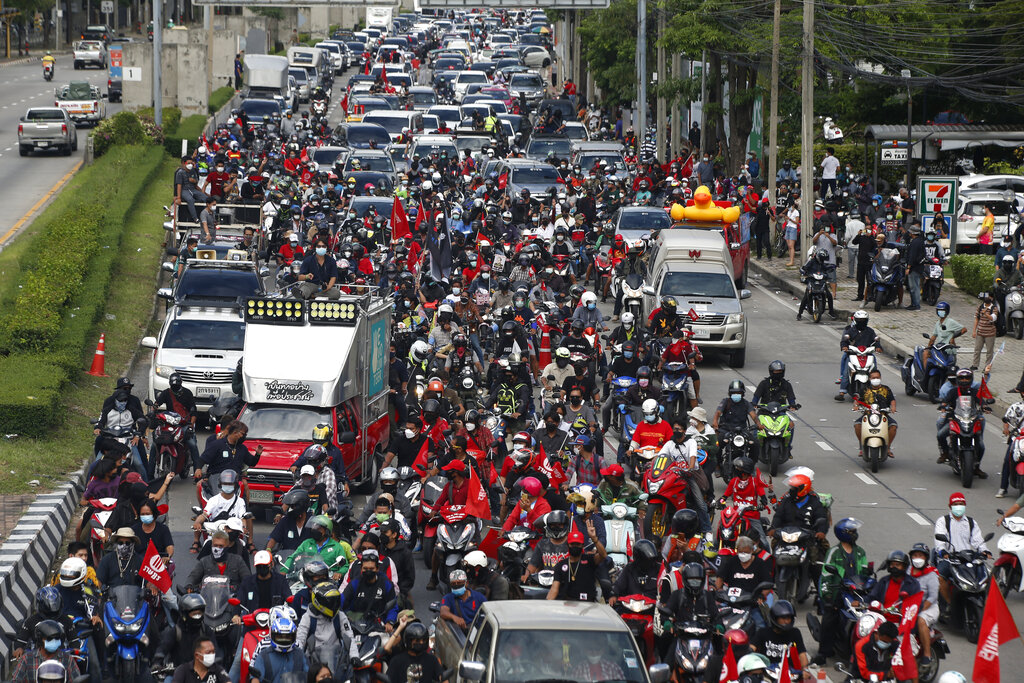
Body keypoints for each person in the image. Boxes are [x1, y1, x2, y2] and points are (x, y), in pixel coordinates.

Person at [812, 518, 868, 665]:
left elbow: (865, 573)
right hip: (838, 592)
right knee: (830, 618)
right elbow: (826, 575)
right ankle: (823, 652)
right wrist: (828, 597)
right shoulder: (834, 552)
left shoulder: (860, 552)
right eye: (852, 531)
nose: (855, 534)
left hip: (857, 593)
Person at [933, 492, 990, 613]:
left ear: (965, 505)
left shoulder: (971, 522)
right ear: (950, 506)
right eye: (955, 504)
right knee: (940, 578)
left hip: (968, 558)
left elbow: (978, 540)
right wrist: (943, 551)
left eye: (961, 504)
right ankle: (949, 604)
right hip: (950, 559)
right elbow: (939, 541)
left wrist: (984, 551)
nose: (958, 506)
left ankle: (988, 606)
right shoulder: (943, 521)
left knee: (987, 576)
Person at [715, 535, 774, 630]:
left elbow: (767, 583)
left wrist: (762, 596)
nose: (743, 554)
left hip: (752, 602)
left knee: (761, 624)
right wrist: (719, 591)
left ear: (752, 550)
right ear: (737, 550)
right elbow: (720, 578)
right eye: (740, 552)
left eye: (746, 552)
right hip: (732, 600)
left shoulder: (760, 563)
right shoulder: (731, 562)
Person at [547, 521, 607, 601]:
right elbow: (554, 588)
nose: (575, 546)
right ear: (568, 545)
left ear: (582, 545)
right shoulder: (561, 565)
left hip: (587, 604)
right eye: (572, 544)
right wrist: (547, 604)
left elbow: (603, 555)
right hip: (566, 604)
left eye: (578, 544)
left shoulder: (589, 560)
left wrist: (594, 539)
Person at [751, 601, 810, 679]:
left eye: (789, 618)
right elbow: (751, 649)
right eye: (783, 618)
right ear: (775, 618)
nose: (786, 621)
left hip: (788, 674)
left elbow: (802, 654)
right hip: (766, 674)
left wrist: (805, 670)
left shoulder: (795, 633)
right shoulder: (763, 632)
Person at [249, 607, 308, 683]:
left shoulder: (300, 654)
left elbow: (309, 675)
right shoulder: (263, 655)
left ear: (294, 636)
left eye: (288, 637)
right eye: (280, 637)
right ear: (272, 635)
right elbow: (255, 678)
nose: (284, 640)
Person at [11, 620, 81, 683]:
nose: (54, 641)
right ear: (40, 640)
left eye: (56, 638)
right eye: (49, 639)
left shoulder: (68, 660)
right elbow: (16, 680)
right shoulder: (26, 659)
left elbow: (76, 679)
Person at [836, 310, 882, 401]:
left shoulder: (870, 331)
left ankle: (877, 390)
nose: (862, 322)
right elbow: (844, 341)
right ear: (856, 320)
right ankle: (842, 392)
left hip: (867, 355)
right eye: (860, 320)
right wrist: (844, 346)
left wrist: (878, 347)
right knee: (846, 372)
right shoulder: (850, 330)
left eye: (863, 320)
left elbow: (875, 341)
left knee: (874, 370)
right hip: (853, 354)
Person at [385, 619, 445, 683]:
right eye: (417, 641)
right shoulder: (396, 661)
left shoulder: (431, 659)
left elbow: (442, 677)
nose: (421, 643)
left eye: (423, 640)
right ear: (409, 640)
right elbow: (387, 648)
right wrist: (400, 628)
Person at [186, 530, 251, 588]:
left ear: (227, 546)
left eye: (221, 546)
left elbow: (247, 577)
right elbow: (193, 576)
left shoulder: (237, 560)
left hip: (232, 598)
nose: (217, 548)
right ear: (211, 545)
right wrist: (189, 586)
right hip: (209, 597)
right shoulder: (204, 561)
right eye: (215, 545)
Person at [856, 369, 898, 457]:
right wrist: (856, 406)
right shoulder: (864, 390)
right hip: (868, 415)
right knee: (857, 425)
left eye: (877, 377)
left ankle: (888, 447)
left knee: (893, 426)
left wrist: (893, 407)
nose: (876, 379)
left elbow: (892, 400)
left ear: (880, 378)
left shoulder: (886, 389)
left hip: (883, 415)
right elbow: (858, 400)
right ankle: (862, 446)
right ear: (869, 379)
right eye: (873, 378)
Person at [907, 542, 936, 664]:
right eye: (915, 555)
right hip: (909, 605)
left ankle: (927, 654)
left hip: (928, 607)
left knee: (920, 620)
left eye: (921, 555)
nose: (917, 558)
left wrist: (920, 609)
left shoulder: (932, 574)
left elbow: (933, 597)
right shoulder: (907, 571)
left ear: (926, 558)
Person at [920, 301, 965, 371]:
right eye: (939, 310)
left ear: (946, 311)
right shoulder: (938, 323)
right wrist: (928, 347)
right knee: (925, 354)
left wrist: (953, 337)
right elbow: (933, 337)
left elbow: (964, 329)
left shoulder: (950, 322)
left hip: (949, 349)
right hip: (939, 349)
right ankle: (925, 373)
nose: (940, 312)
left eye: (942, 311)